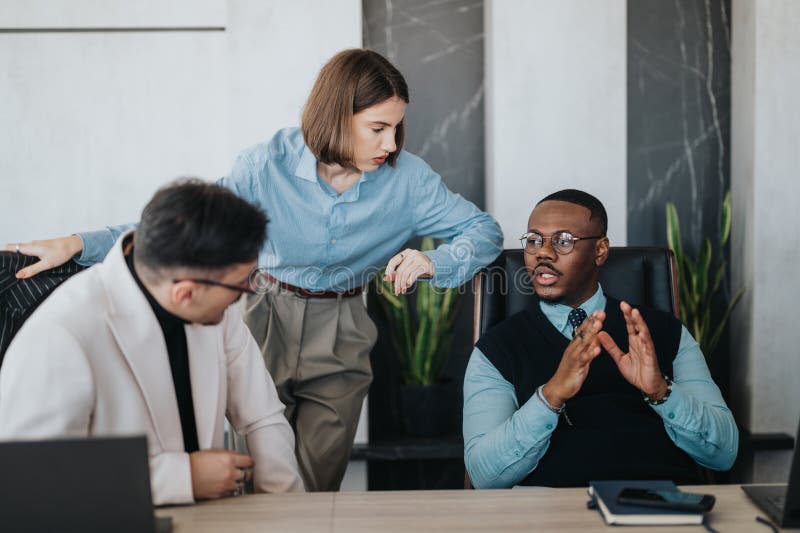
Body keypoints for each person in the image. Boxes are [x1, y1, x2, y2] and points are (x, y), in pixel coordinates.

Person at [5, 49, 503, 491]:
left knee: (318, 476)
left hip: (345, 322)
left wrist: (432, 260)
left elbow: (484, 231)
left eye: (397, 127)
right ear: (336, 116)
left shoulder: (410, 181)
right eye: (378, 127)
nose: (392, 143)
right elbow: (189, 229)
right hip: (259, 312)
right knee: (255, 464)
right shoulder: (265, 164)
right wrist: (79, 243)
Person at [0, 180, 304, 504]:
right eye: (241, 286)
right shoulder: (61, 332)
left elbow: (263, 417)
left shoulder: (213, 305)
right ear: (185, 293)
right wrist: (182, 477)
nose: (244, 293)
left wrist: (285, 507)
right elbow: (32, 475)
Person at [462, 189, 738, 488]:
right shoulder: (496, 349)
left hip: (658, 508)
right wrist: (551, 395)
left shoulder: (664, 332)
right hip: (546, 514)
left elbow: (724, 453)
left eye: (563, 241)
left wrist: (661, 392)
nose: (543, 252)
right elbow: (483, 476)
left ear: (600, 250)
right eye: (534, 240)